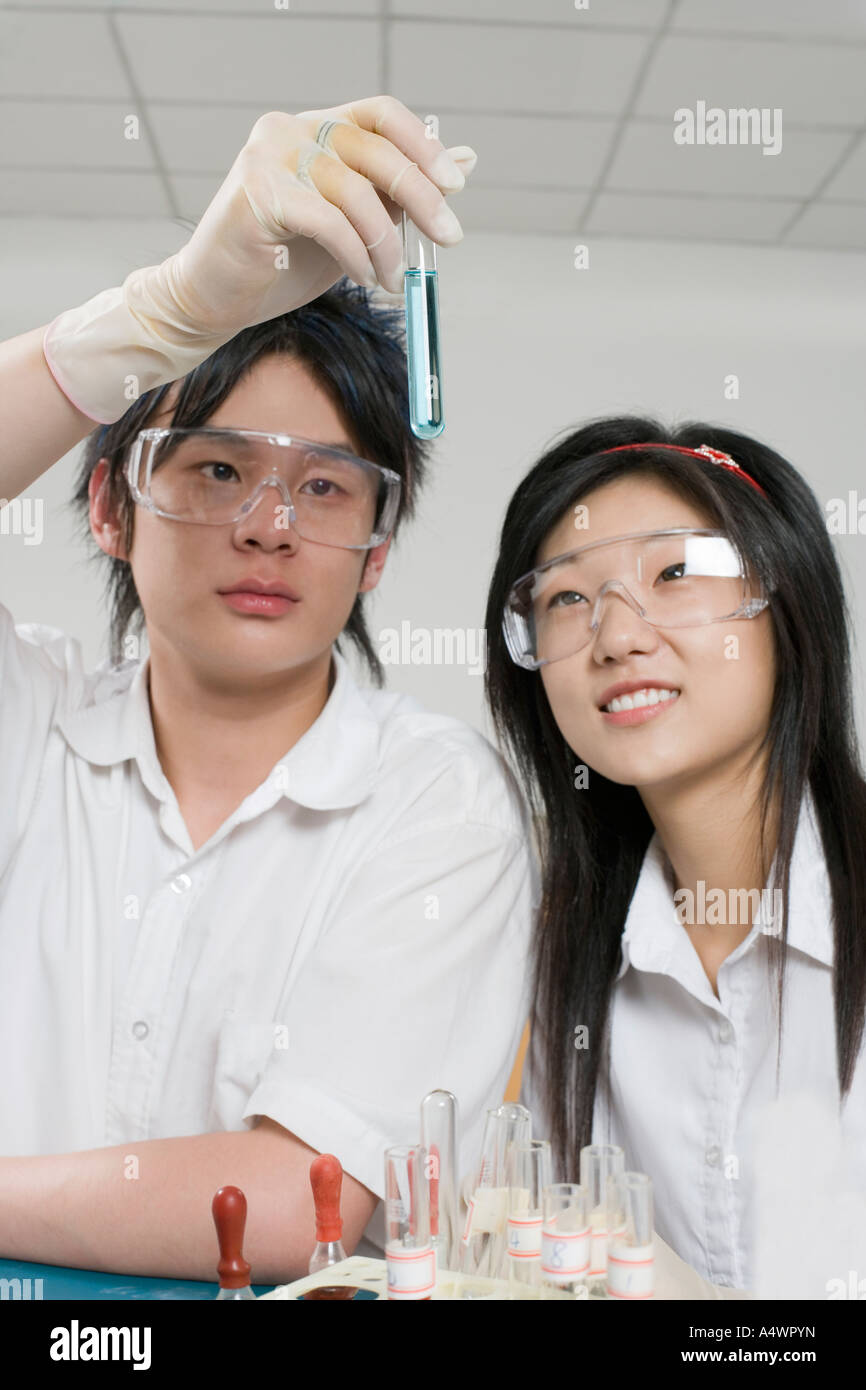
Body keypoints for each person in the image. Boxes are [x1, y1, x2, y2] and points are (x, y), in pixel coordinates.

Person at [0, 99, 535, 1285]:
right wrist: (153, 318)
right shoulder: (24, 717)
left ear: (378, 550)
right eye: (217, 468)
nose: (267, 526)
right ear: (108, 509)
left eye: (328, 488)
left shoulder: (436, 803)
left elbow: (311, 1195)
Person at [484, 417, 866, 1295]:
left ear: (785, 598)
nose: (616, 637)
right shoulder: (556, 958)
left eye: (675, 573)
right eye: (568, 599)